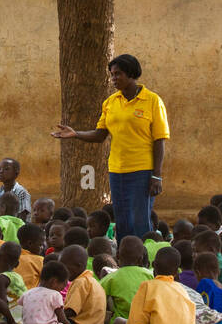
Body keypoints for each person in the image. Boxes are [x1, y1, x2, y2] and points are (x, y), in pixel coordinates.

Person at [51, 54, 169, 241]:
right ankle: (124, 259)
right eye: (112, 75)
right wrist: (76, 134)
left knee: (140, 220)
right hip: (117, 171)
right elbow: (100, 134)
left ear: (131, 74)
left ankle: (144, 261)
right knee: (122, 220)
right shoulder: (110, 102)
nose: (113, 79)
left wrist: (156, 175)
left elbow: (160, 140)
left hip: (142, 171)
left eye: (118, 74)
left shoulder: (153, 101)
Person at [18, 260, 122, 324]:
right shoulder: (54, 295)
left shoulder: (28, 293)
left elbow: (20, 311)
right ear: (54, 282)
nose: (62, 289)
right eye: (62, 286)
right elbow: (62, 319)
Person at [118, 247, 202, 324]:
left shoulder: (147, 286)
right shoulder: (181, 289)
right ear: (176, 272)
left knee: (118, 322)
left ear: (153, 265)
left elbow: (135, 322)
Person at [102, 236, 154, 320]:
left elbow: (97, 295)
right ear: (141, 259)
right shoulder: (150, 275)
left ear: (118, 255)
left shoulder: (111, 277)